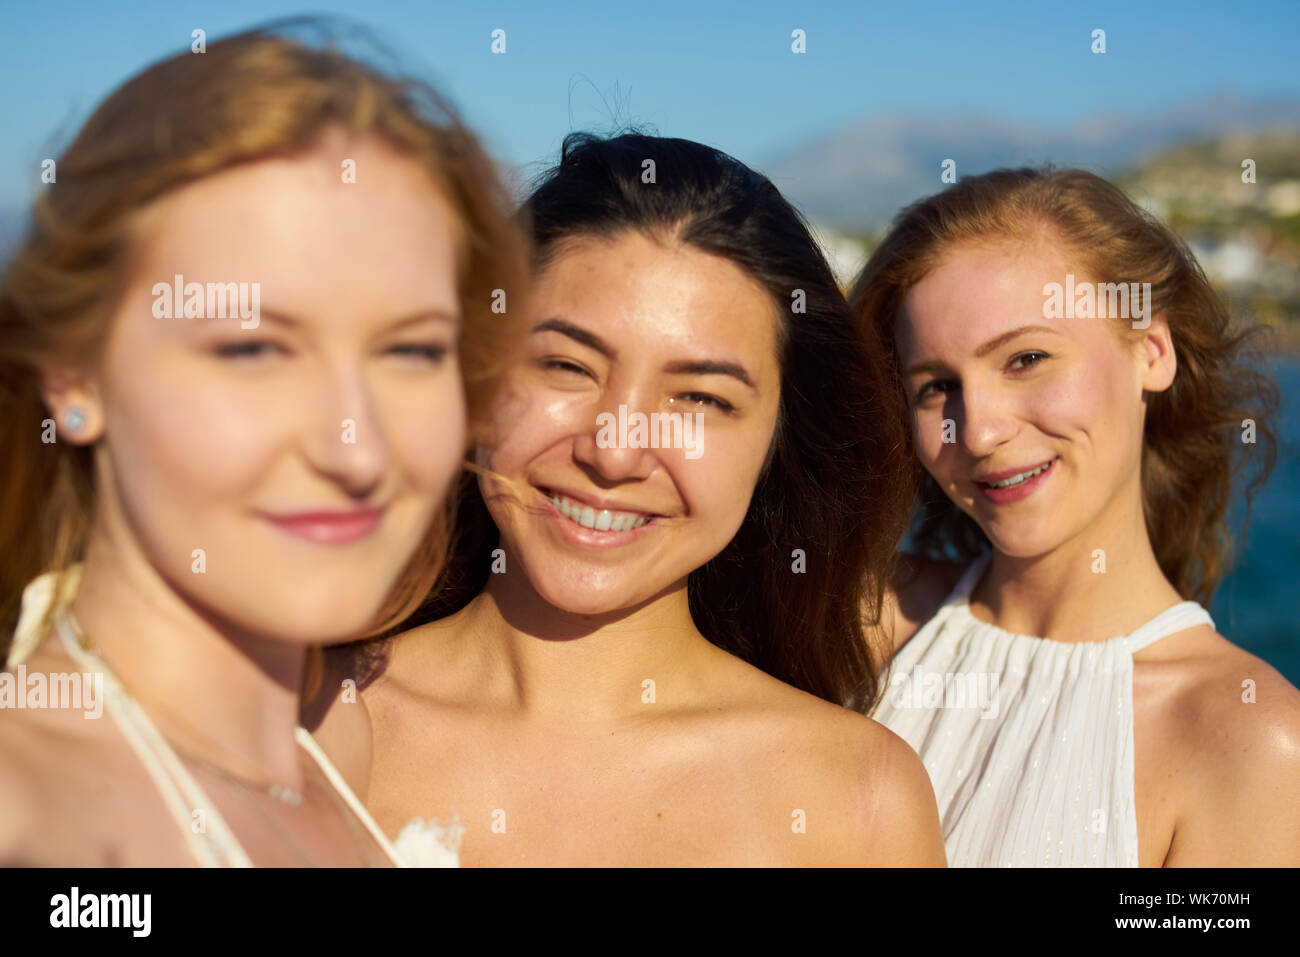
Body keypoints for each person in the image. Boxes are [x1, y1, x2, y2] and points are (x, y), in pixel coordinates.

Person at [314, 132, 947, 866]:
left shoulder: (862, 799)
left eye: (699, 398)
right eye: (566, 365)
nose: (613, 451)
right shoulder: (288, 718)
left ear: (779, 440)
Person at [0, 23, 526, 867]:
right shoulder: (31, 819)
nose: (356, 451)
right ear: (75, 376)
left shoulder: (333, 748)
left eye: (413, 349)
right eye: (252, 348)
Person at [853, 166, 1300, 866]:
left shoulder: (1251, 742)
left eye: (1026, 358)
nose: (979, 431)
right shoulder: (865, 623)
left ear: (1150, 351)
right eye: (938, 386)